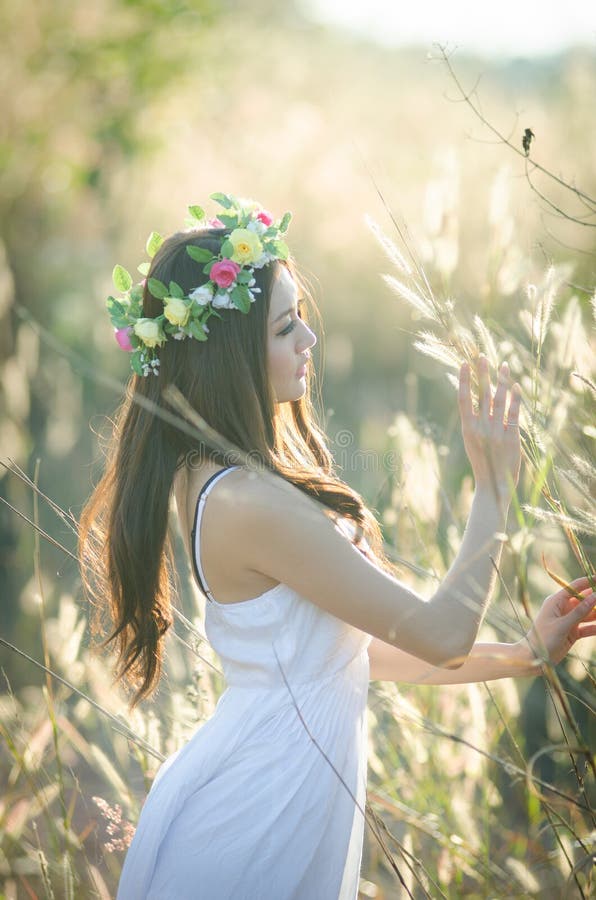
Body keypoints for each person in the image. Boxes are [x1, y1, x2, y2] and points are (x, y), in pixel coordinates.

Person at [78, 193, 596, 900]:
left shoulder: (225, 481)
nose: (309, 344)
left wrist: (524, 657)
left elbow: (349, 655)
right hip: (256, 821)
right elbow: (442, 632)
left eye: (304, 321)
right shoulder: (245, 502)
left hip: (281, 797)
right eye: (286, 328)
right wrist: (493, 493)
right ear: (230, 358)